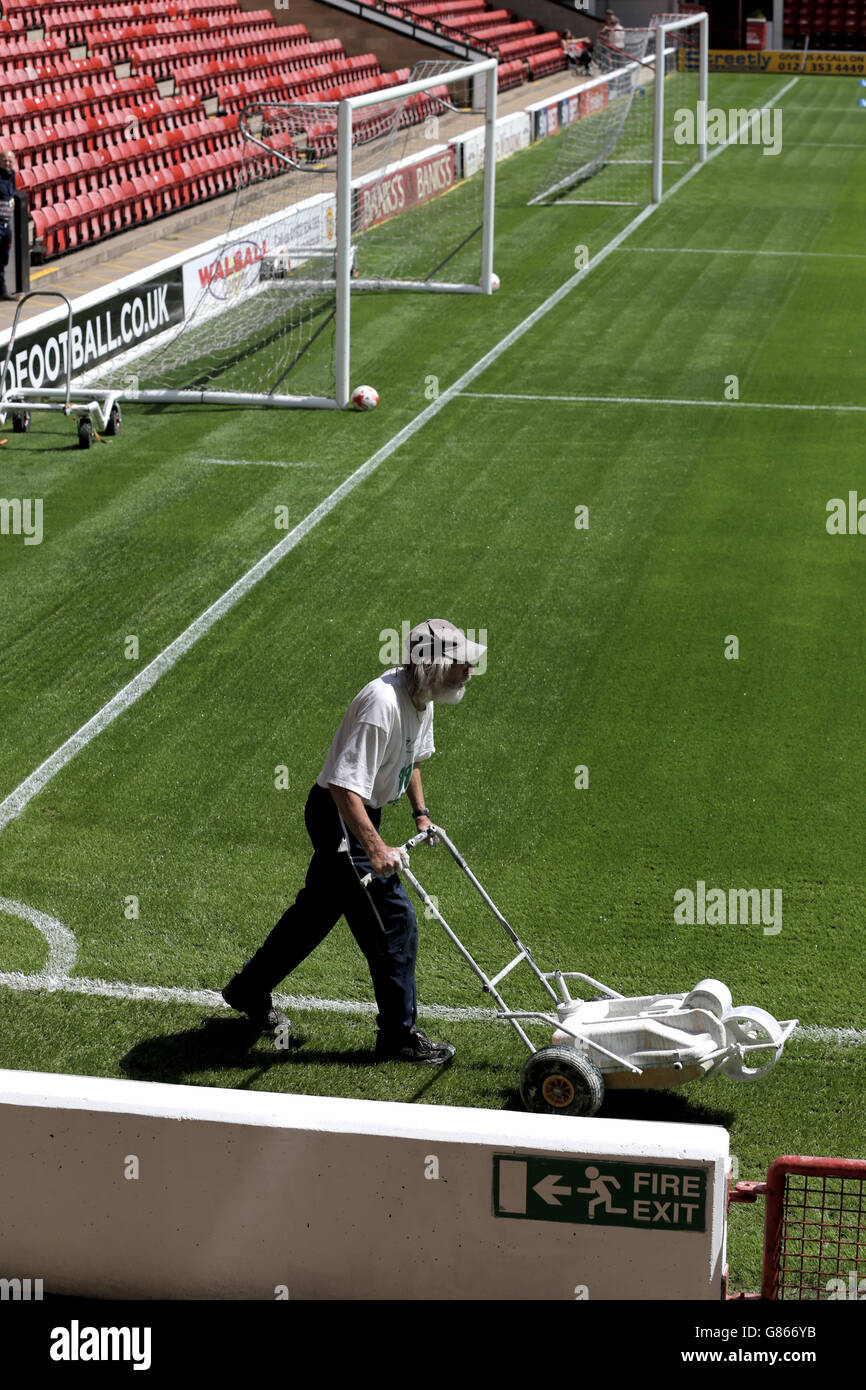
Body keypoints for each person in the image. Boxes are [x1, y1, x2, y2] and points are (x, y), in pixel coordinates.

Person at [220, 618, 487, 1065]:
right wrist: (377, 849)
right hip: (341, 816)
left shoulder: (422, 698)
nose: (469, 672)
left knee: (316, 913)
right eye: (460, 663)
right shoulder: (381, 704)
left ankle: (248, 989)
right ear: (433, 665)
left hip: (360, 812)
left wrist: (420, 814)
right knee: (395, 923)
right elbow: (344, 788)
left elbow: (412, 759)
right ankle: (398, 1035)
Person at [0, 150, 20, 302]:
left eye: (10, 161)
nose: (7, 163)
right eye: (5, 160)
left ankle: (2, 291)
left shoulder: (11, 175)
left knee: (4, 257)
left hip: (6, 224)